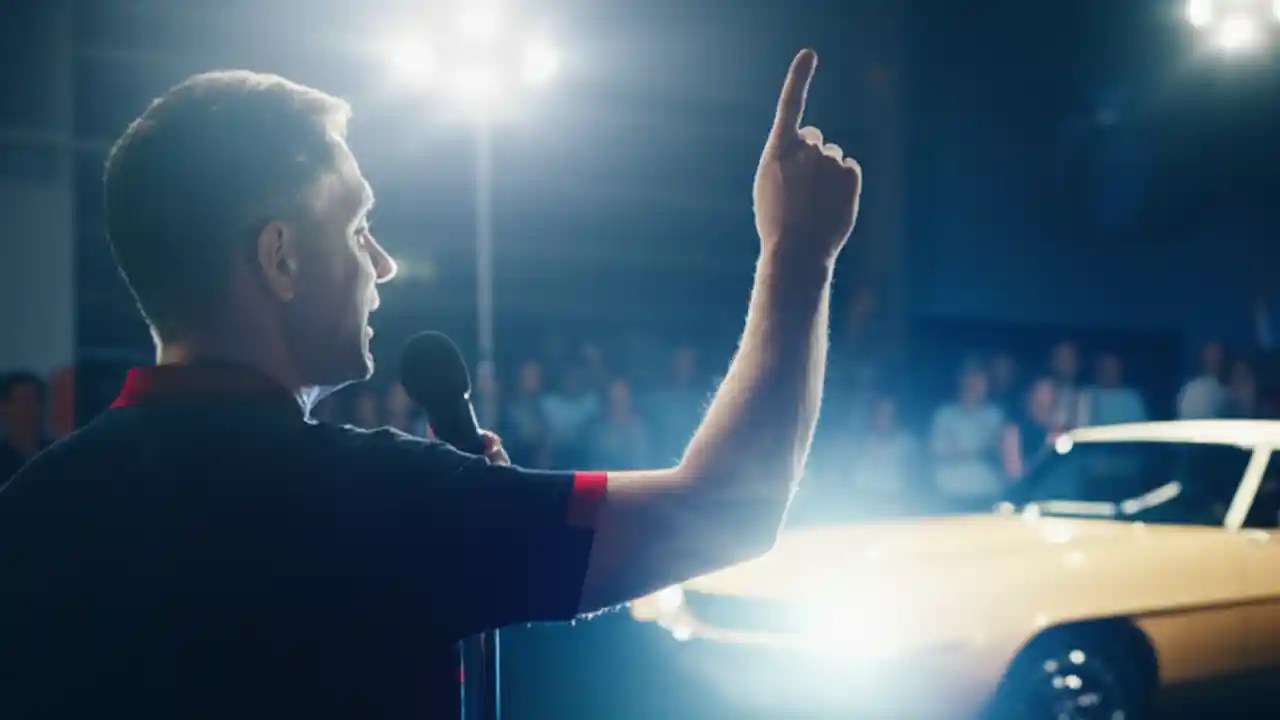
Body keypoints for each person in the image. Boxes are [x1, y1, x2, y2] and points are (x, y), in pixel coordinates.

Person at [0, 49, 861, 717]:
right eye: (359, 225)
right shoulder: (373, 501)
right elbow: (726, 512)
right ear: (281, 257)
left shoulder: (32, 508)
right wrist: (799, 255)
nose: (381, 262)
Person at [930, 363, 1005, 511]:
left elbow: (999, 451)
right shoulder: (945, 415)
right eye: (973, 382)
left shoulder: (995, 415)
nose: (978, 387)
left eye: (982, 382)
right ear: (963, 383)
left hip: (985, 491)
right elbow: (939, 449)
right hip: (950, 490)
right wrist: (977, 450)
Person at [845, 395, 919, 515]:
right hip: (862, 500)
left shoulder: (907, 443)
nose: (884, 420)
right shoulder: (859, 442)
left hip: (893, 501)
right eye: (880, 415)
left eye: (889, 416)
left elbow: (913, 475)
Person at [1001, 377, 1061, 481]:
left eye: (1050, 393)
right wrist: (1047, 449)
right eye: (1041, 392)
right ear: (1029, 396)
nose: (1046, 398)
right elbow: (1015, 475)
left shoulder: (1061, 428)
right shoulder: (1013, 431)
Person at [589, 379, 651, 470]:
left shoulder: (639, 429)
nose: (617, 404)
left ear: (629, 400)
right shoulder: (594, 430)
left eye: (621, 399)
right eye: (614, 399)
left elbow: (642, 463)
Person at [0, 371, 51, 481]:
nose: (30, 410)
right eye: (22, 402)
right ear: (3, 408)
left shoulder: (58, 454)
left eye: (36, 401)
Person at [1077, 352, 1147, 427]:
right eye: (1105, 368)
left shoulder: (1131, 397)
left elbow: (1141, 426)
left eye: (1113, 368)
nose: (1108, 373)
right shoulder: (1086, 394)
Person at [1177, 341, 1226, 419]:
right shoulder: (1192, 389)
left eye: (1218, 354)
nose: (1215, 359)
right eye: (1211, 354)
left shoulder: (1229, 389)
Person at [1048, 340, 1082, 429]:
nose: (1065, 363)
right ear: (1053, 361)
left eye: (1069, 357)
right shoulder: (1041, 395)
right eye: (1061, 357)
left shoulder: (1088, 397)